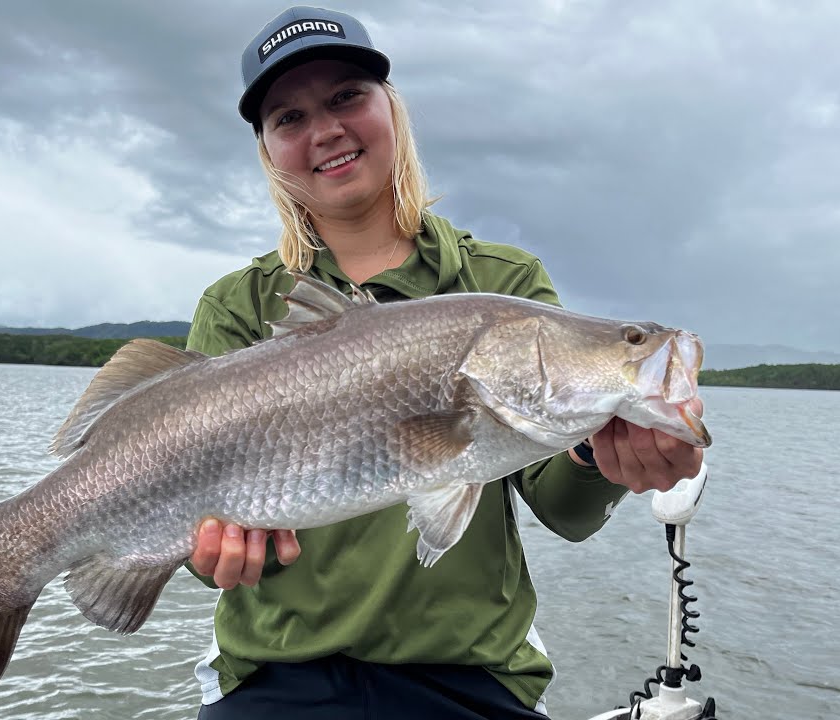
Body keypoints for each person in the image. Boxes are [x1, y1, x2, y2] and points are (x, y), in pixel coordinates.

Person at [183, 7, 704, 718]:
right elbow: (203, 547)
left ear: (390, 107)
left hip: (473, 674)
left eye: (346, 97)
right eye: (289, 117)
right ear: (268, 150)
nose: (325, 130)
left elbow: (567, 513)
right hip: (276, 676)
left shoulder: (504, 281)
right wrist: (219, 551)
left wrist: (599, 456)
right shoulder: (238, 305)